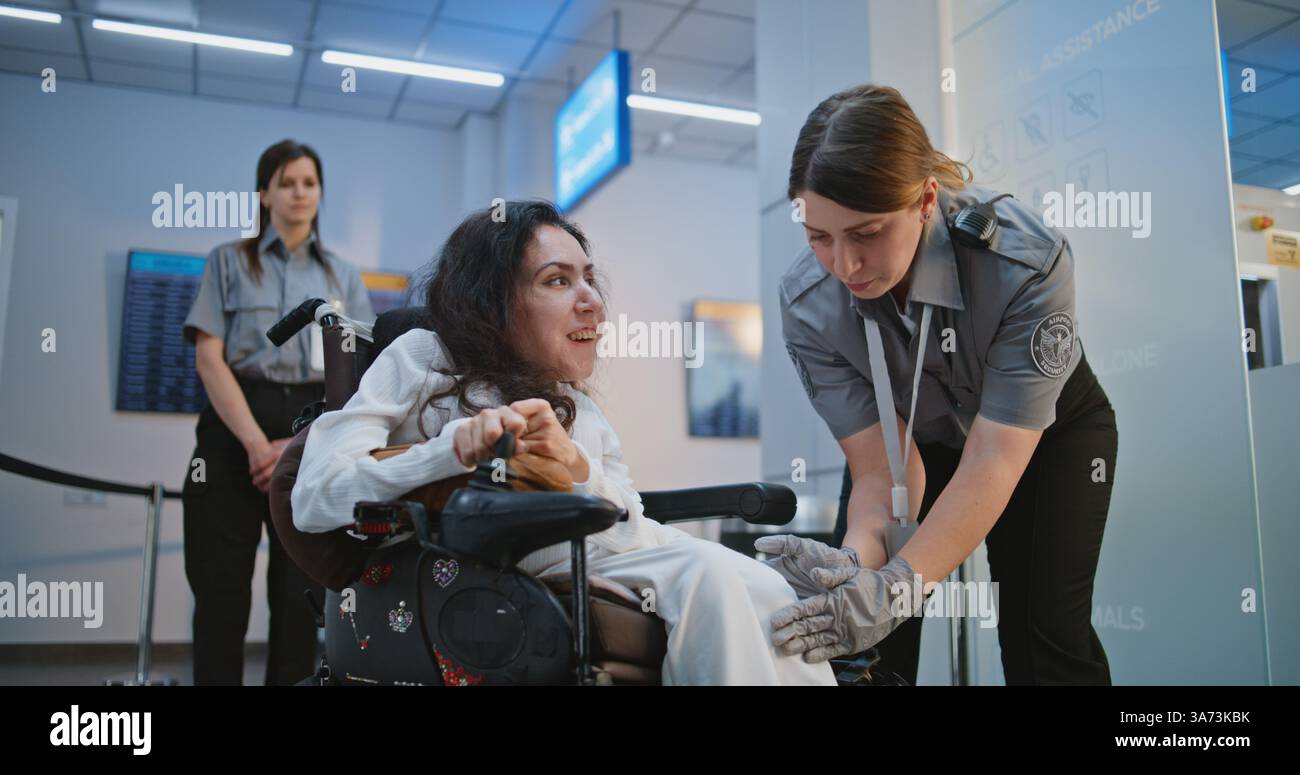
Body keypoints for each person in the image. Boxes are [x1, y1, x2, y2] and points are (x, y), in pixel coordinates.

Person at [290, 200, 836, 686]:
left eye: (589, 279)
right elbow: (314, 498)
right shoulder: (422, 357)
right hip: (484, 564)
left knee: (767, 588)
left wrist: (574, 466)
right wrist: (450, 451)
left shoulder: (579, 408)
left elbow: (631, 533)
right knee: (713, 577)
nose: (592, 302)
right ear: (492, 302)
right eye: (557, 280)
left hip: (599, 554)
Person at [761, 84, 1118, 685]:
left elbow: (993, 458)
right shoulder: (808, 306)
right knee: (866, 647)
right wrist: (857, 567)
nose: (843, 266)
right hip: (912, 445)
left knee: (1043, 640)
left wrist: (899, 586)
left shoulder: (1026, 262)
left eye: (867, 234)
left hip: (1043, 439)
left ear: (926, 199)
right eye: (819, 237)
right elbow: (880, 475)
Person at [181, 139, 375, 685]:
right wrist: (255, 445)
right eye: (286, 182)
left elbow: (360, 371)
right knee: (220, 589)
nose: (299, 193)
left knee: (299, 595)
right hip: (231, 431)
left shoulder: (343, 277)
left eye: (309, 183)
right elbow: (209, 357)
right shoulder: (228, 261)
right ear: (264, 193)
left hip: (310, 431)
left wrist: (291, 449)